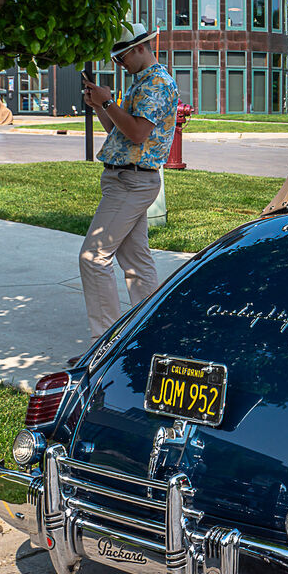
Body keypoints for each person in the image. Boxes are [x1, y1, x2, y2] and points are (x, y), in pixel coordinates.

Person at [77, 22, 179, 354]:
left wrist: (108, 103)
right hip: (127, 179)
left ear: (140, 48)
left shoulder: (157, 84)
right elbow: (120, 131)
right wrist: (100, 105)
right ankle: (151, 338)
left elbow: (137, 133)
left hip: (131, 182)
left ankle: (104, 347)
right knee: (137, 263)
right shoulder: (143, 82)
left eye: (121, 57)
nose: (119, 64)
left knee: (93, 257)